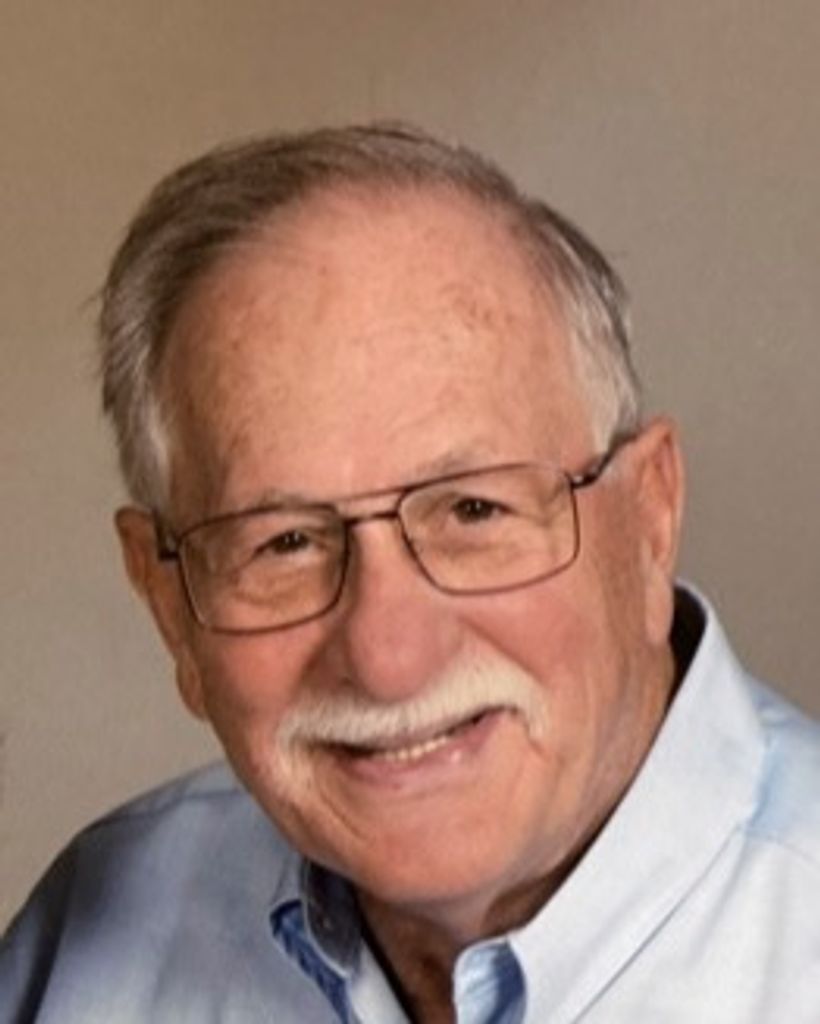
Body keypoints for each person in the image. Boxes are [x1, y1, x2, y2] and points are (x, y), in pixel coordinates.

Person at [2, 123, 819, 1024]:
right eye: (285, 543)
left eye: (472, 511)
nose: (389, 657)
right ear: (168, 607)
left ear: (649, 522)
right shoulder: (87, 954)